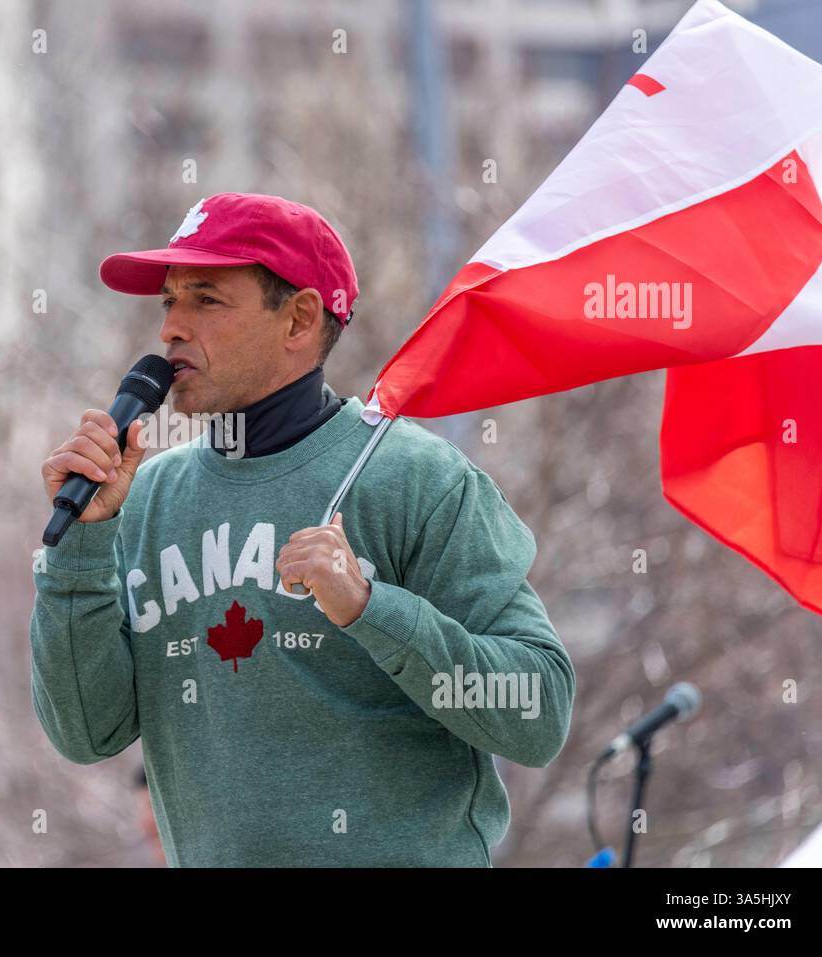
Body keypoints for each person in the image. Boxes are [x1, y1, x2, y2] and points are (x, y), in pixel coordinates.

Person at [31, 192, 575, 866]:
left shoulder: (415, 478)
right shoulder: (143, 499)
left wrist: (373, 610)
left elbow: (538, 710)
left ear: (299, 318)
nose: (170, 327)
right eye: (167, 300)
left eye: (205, 298)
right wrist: (82, 545)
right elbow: (87, 731)